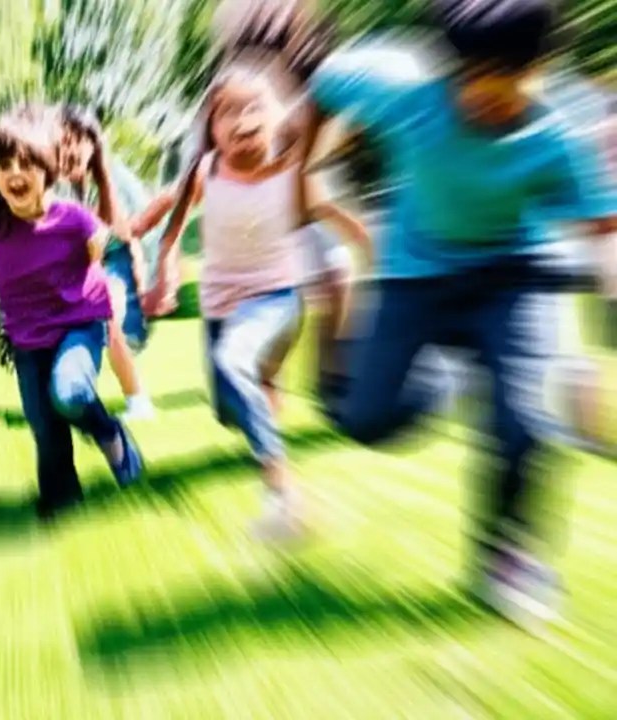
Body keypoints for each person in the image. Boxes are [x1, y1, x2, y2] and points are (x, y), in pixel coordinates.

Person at [261, 0, 617, 627]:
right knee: (366, 420)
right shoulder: (400, 87)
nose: (480, 98)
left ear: (540, 68)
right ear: (446, 69)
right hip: (415, 276)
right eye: (467, 81)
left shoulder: (564, 126)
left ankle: (510, 555)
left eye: (502, 85)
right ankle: (452, 373)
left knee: (525, 425)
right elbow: (321, 85)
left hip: (515, 274)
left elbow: (601, 223)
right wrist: (304, 174)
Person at [146, 63, 371, 539]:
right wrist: (163, 267)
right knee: (227, 410)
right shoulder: (203, 171)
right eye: (226, 111)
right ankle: (265, 383)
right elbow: (173, 228)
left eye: (254, 107)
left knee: (233, 362)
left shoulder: (295, 174)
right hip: (220, 306)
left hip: (277, 299)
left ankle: (283, 496)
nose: (241, 118)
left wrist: (382, 261)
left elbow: (341, 218)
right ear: (211, 128)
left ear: (278, 117)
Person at [0, 114, 144, 519]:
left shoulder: (74, 219)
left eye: (26, 164)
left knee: (70, 392)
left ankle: (109, 432)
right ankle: (63, 503)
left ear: (47, 171)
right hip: (27, 342)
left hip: (79, 326)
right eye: (4, 166)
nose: (15, 174)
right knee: (45, 427)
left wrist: (116, 283)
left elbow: (103, 248)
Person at [56, 105, 158, 421]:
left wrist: (141, 273)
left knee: (110, 319)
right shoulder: (49, 180)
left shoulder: (114, 176)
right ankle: (70, 389)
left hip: (115, 259)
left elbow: (128, 231)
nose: (70, 149)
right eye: (63, 141)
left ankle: (138, 402)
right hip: (71, 265)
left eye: (78, 141)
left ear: (93, 144)